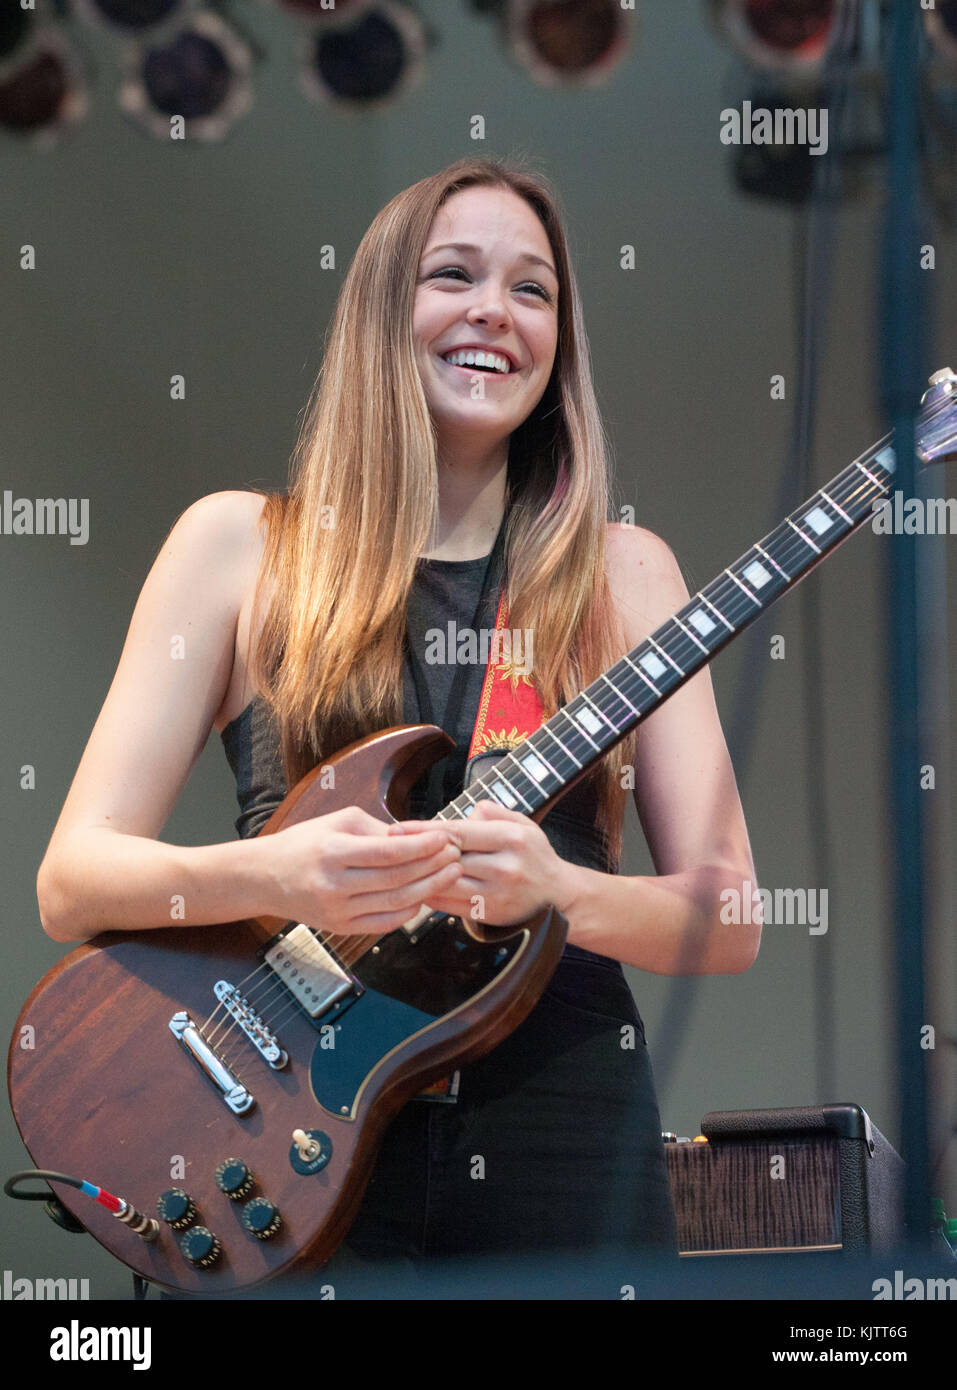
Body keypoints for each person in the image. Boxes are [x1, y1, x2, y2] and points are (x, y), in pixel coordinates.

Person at [36, 156, 760, 1283]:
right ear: (382, 309)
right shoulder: (236, 547)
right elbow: (74, 877)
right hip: (278, 1141)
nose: (495, 312)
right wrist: (279, 875)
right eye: (454, 274)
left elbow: (732, 916)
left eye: (534, 290)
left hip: (559, 1139)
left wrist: (562, 888)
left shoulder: (628, 573)